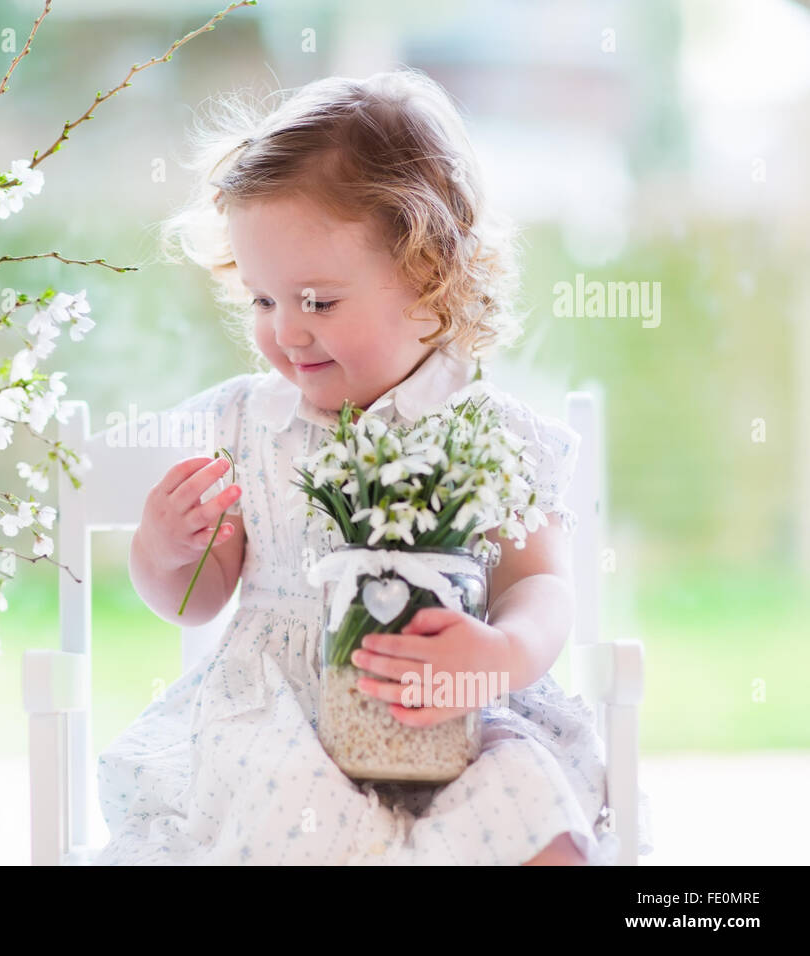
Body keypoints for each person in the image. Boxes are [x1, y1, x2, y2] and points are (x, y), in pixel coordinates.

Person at [93, 69, 653, 865]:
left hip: (451, 707)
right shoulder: (249, 426)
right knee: (287, 804)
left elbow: (539, 585)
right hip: (283, 718)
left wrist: (499, 654)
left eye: (316, 301)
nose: (286, 331)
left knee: (526, 796)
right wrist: (166, 551)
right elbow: (197, 600)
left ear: (428, 282)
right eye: (261, 299)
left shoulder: (489, 433)